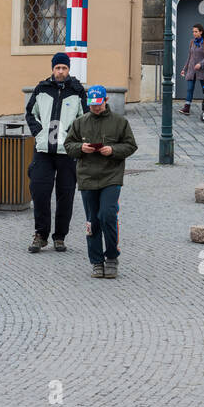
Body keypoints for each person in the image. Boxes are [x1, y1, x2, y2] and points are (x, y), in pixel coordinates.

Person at [64, 85, 137, 279]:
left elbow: (131, 145)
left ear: (105, 101)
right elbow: (68, 145)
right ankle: (96, 261)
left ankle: (112, 257)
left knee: (107, 215)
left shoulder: (120, 122)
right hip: (87, 177)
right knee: (92, 221)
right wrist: (81, 148)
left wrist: (113, 150)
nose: (95, 108)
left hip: (111, 176)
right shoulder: (79, 123)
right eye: (92, 105)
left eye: (98, 104)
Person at [24, 53, 88, 253]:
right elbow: (30, 113)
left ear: (68, 69)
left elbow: (84, 119)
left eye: (64, 68)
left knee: (65, 195)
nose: (60, 71)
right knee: (40, 193)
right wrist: (39, 132)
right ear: (52, 69)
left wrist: (72, 137)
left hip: (67, 152)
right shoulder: (42, 89)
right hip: (43, 150)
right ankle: (40, 235)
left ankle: (60, 237)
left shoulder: (77, 91)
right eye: (57, 68)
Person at [179, 23, 204, 115]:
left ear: (201, 32)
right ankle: (187, 108)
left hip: (202, 70)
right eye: (193, 31)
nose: (194, 33)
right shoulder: (192, 42)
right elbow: (190, 57)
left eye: (196, 31)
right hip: (191, 70)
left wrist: (200, 64)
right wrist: (184, 69)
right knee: (189, 89)